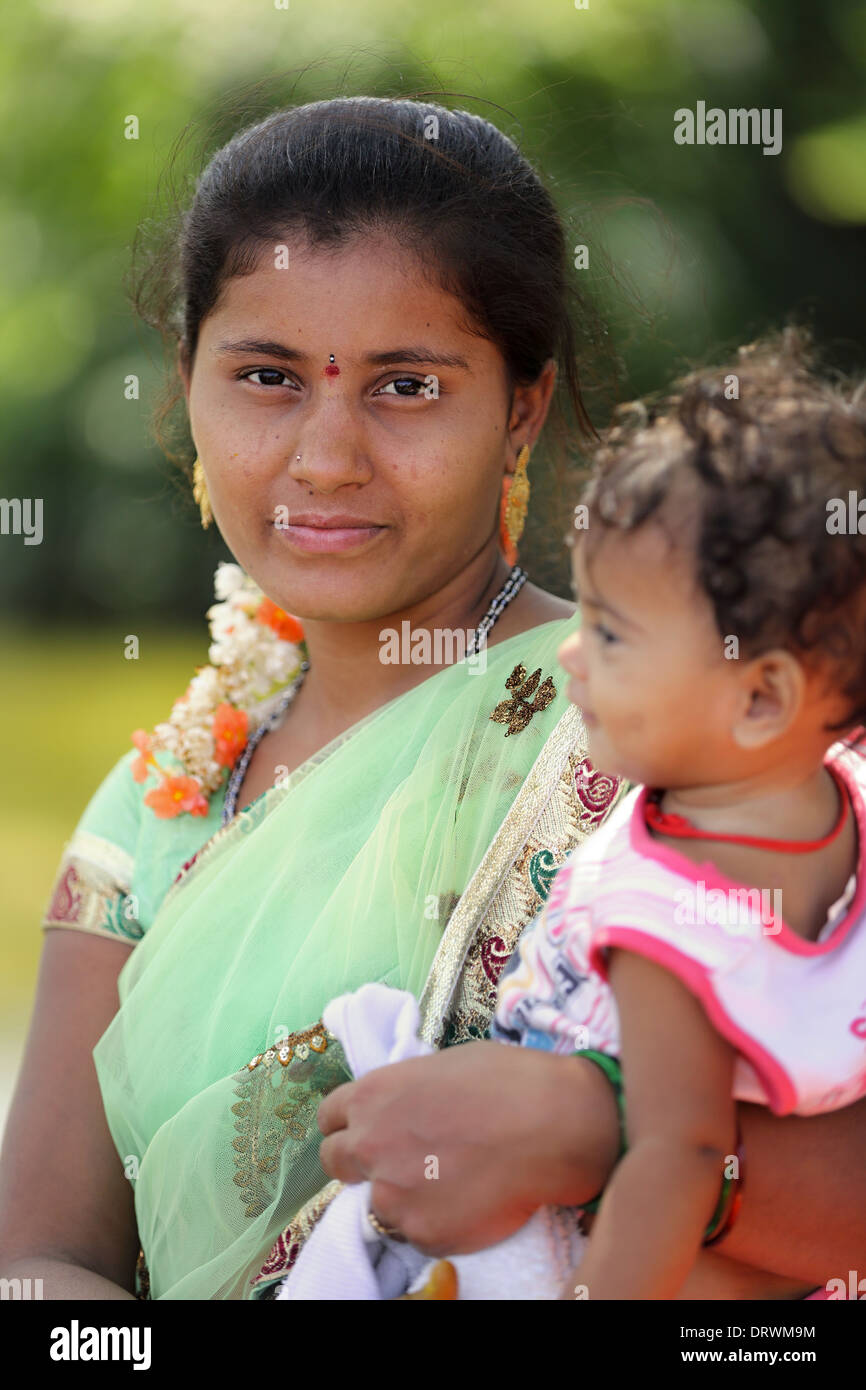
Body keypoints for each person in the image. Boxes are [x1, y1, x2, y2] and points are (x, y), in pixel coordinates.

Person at [0, 94, 626, 1300]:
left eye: (406, 387)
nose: (326, 455)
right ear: (187, 387)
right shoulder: (159, 806)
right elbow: (40, 1263)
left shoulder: (641, 726)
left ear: (521, 411)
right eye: (269, 376)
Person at [304, 332, 866, 1300]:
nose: (570, 654)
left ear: (761, 698)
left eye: (608, 632)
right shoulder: (841, 802)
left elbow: (677, 1154)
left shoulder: (659, 909)